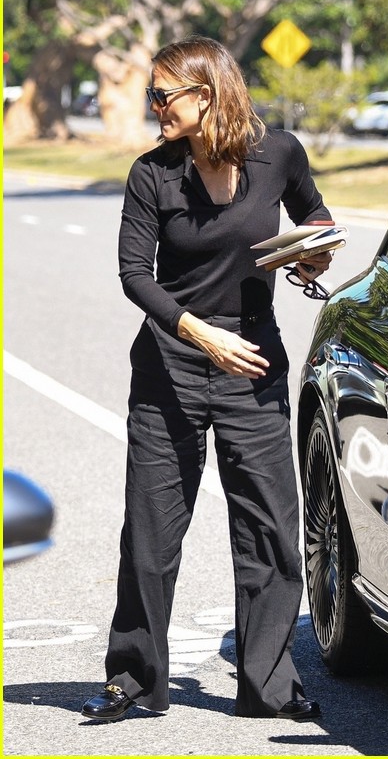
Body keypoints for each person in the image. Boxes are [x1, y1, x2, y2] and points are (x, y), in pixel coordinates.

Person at [82, 35, 335, 722]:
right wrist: (199, 332)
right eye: (152, 95)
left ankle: (269, 685)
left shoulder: (278, 152)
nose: (155, 106)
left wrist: (311, 253)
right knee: (152, 531)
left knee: (270, 529)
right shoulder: (153, 174)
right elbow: (136, 275)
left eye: (165, 95)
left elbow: (315, 216)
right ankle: (133, 680)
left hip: (252, 364)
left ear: (208, 93)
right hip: (172, 364)